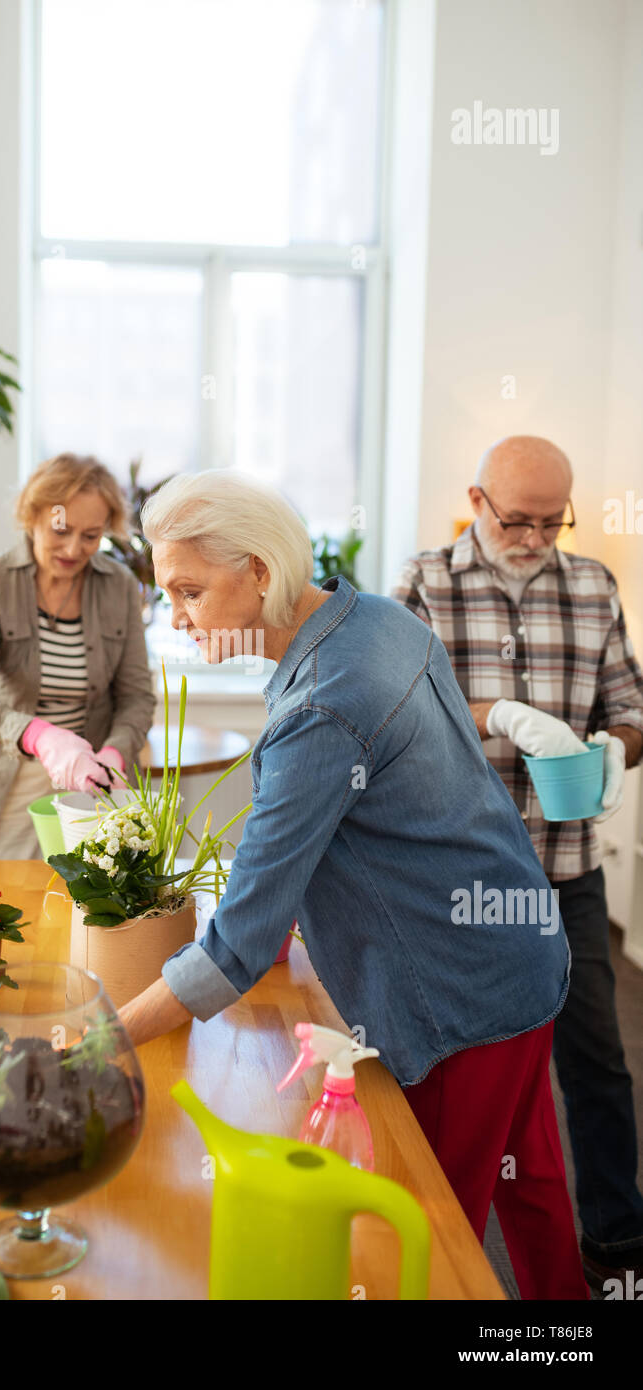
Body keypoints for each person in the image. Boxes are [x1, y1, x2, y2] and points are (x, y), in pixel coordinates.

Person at [117, 468, 589, 1300]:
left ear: (259, 571)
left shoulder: (319, 712)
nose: (178, 617)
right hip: (522, 950)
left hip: (458, 998)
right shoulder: (372, 618)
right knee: (536, 1196)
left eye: (191, 592)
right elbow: (395, 812)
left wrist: (105, 1034)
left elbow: (235, 949)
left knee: (425, 1240)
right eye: (168, 594)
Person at [391, 434, 643, 1295]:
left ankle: (616, 1244)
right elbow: (395, 710)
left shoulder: (594, 586)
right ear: (476, 499)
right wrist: (498, 713)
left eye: (552, 520)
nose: (536, 535)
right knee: (468, 1074)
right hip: (462, 881)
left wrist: (616, 746)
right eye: (518, 519)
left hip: (566, 870)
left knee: (597, 1059)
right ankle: (435, 1252)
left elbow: (630, 704)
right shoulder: (424, 582)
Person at [0, 453, 156, 858]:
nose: (74, 548)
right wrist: (42, 739)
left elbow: (136, 696)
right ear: (32, 515)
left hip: (92, 783)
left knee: (88, 910)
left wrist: (114, 753)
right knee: (7, 905)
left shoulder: (120, 587)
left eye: (91, 536)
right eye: (61, 530)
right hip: (8, 784)